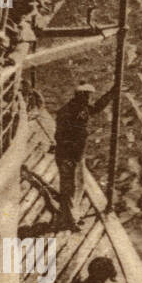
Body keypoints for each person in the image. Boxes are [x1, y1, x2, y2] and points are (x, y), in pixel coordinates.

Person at [52, 82, 114, 230]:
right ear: (80, 96)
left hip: (77, 156)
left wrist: (112, 93)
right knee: (69, 187)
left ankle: (72, 215)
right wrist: (67, 155)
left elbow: (97, 107)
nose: (88, 99)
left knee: (78, 185)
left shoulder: (81, 108)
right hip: (68, 156)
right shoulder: (67, 112)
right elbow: (59, 135)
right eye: (86, 96)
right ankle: (70, 220)